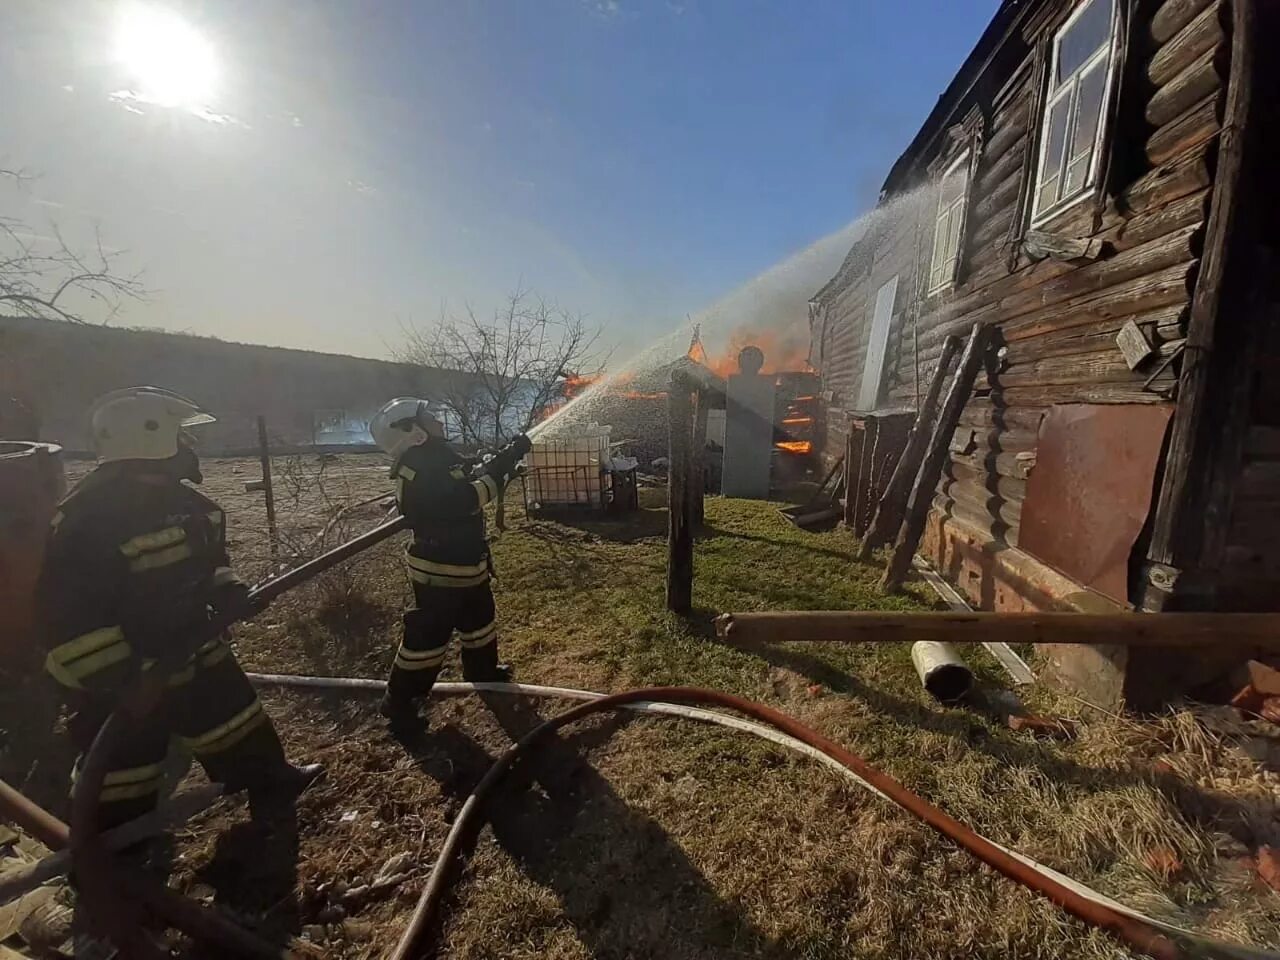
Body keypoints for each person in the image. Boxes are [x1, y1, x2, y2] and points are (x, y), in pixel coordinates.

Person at [38, 386, 322, 832]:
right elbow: (70, 621)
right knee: (121, 772)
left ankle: (270, 782)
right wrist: (127, 682)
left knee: (237, 718)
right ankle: (109, 858)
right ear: (151, 442)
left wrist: (231, 590)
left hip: (194, 647)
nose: (190, 449)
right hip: (124, 677)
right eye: (182, 438)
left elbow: (213, 565)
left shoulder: (191, 507)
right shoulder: (87, 523)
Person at [369, 397, 530, 730]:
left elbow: (466, 475)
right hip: (439, 569)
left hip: (466, 560)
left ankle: (482, 671)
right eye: (428, 416)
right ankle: (399, 704)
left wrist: (500, 459)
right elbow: (465, 499)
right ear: (412, 432)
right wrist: (497, 475)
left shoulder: (436, 458)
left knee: (480, 619)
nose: (436, 419)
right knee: (428, 640)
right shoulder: (417, 468)